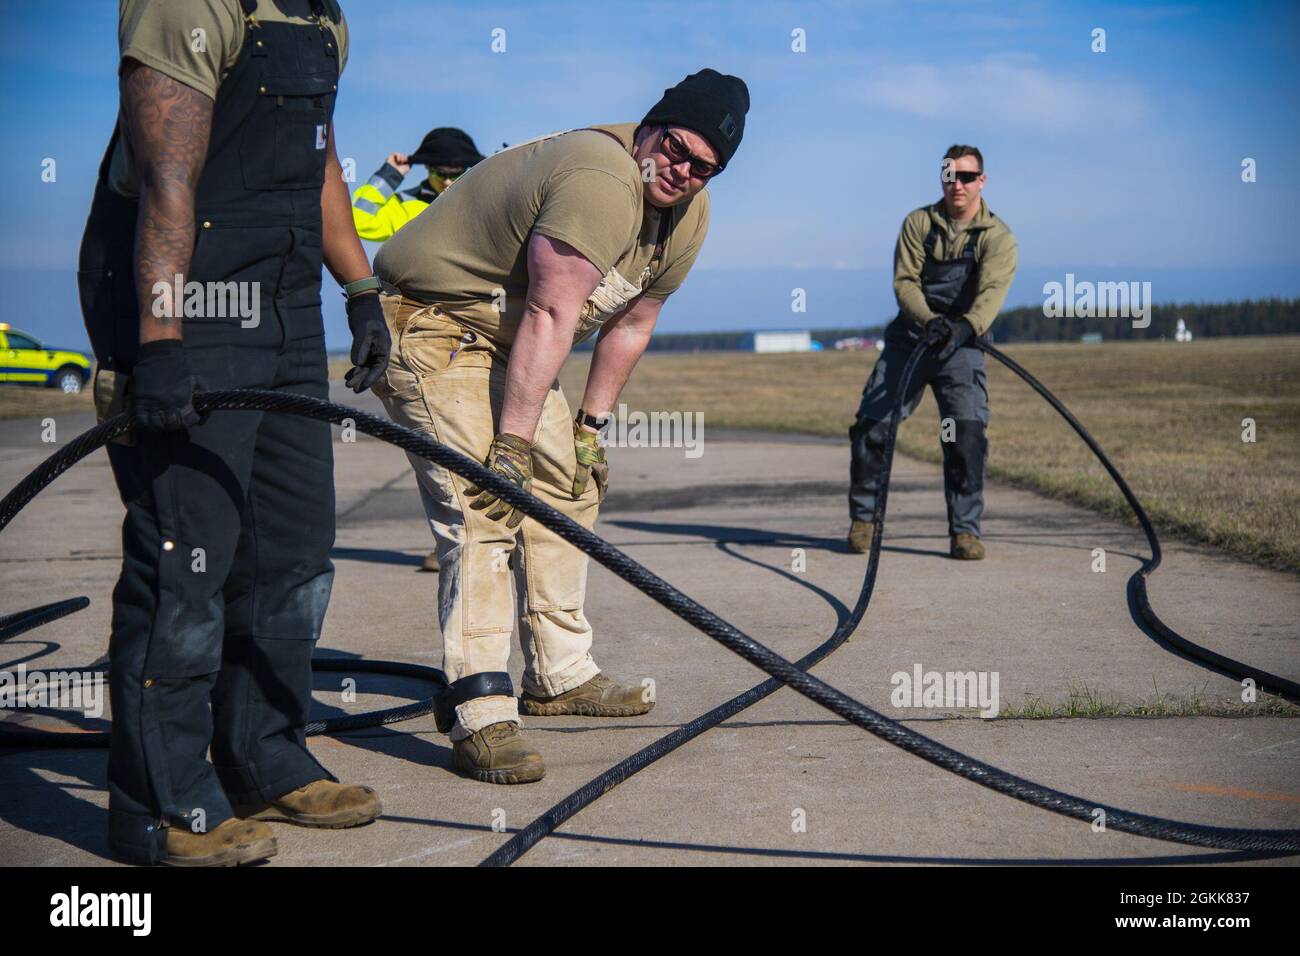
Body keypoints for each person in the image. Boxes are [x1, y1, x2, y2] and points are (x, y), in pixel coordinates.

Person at [77, 0, 390, 865]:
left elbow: (322, 162)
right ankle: (161, 805)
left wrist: (359, 290)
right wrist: (163, 343)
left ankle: (265, 757)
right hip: (183, 297)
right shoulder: (192, 6)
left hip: (285, 305)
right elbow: (168, 177)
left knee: (293, 553)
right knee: (190, 557)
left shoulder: (324, 20)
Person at [371, 69, 749, 784]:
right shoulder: (600, 176)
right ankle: (480, 713)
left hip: (510, 342)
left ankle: (559, 676)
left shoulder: (687, 216)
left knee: (569, 489)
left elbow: (633, 320)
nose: (682, 171)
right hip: (433, 323)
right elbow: (551, 309)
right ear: (653, 125)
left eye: (704, 167)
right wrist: (510, 445)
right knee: (485, 503)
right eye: (675, 148)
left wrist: (588, 427)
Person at [847, 145, 1017, 561]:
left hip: (963, 343)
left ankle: (964, 532)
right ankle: (865, 521)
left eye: (965, 176)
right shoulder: (918, 223)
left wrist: (963, 327)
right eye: (949, 176)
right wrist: (928, 321)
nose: (956, 184)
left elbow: (992, 292)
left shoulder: (998, 238)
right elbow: (905, 282)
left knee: (966, 435)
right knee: (873, 427)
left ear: (982, 180)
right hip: (912, 337)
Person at [351, 126, 486, 572]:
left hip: (476, 331)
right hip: (421, 337)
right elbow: (359, 219)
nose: (449, 181)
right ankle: (452, 540)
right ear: (429, 170)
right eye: (441, 172)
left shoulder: (481, 198)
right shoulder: (405, 205)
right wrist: (388, 177)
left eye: (457, 172)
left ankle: (488, 537)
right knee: (441, 444)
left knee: (484, 441)